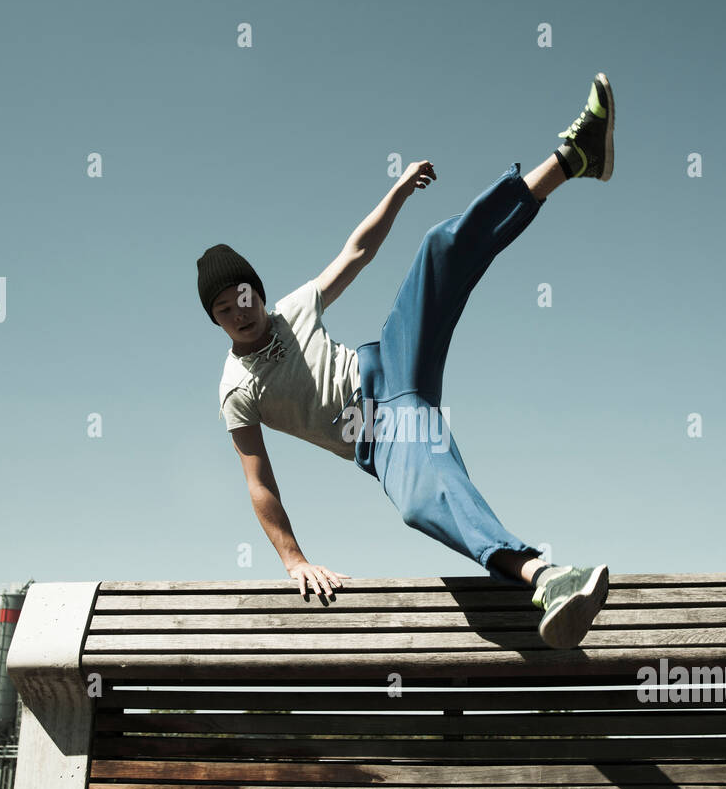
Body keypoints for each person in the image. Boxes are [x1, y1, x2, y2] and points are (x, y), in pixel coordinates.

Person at [198, 73, 616, 649]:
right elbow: (259, 481)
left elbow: (358, 250)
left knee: (438, 251)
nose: (239, 313)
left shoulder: (293, 308)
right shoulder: (235, 389)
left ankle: (574, 157)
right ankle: (545, 577)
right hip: (376, 432)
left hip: (391, 365)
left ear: (259, 295)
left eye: (244, 298)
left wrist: (396, 191)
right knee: (423, 500)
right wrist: (295, 561)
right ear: (216, 319)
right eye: (224, 309)